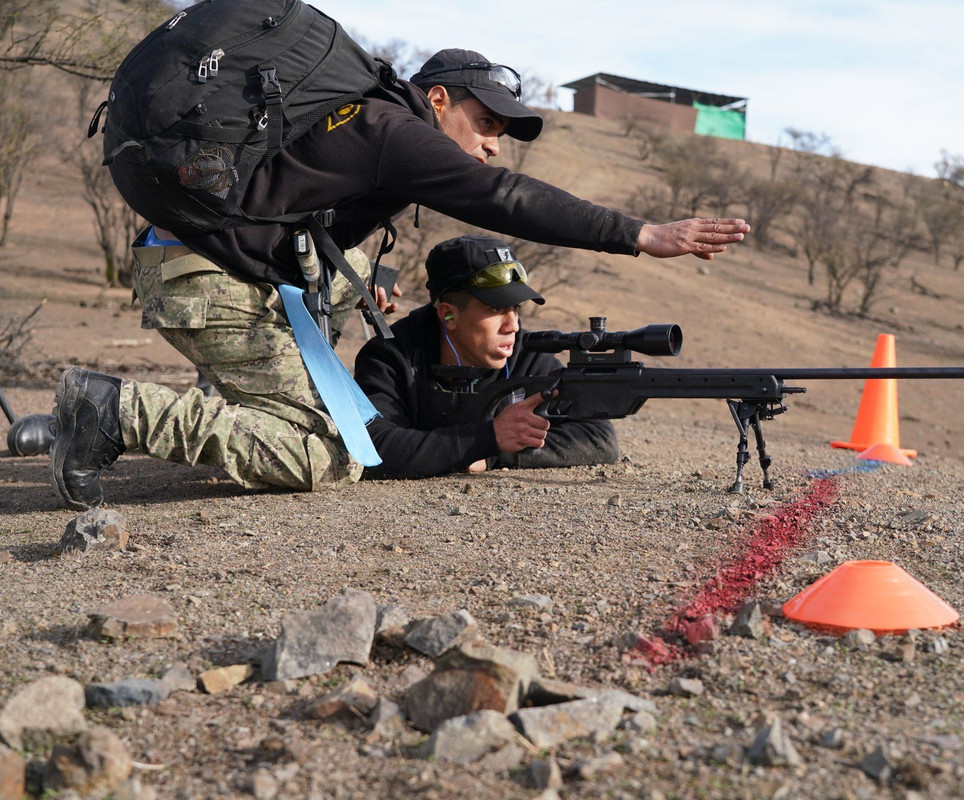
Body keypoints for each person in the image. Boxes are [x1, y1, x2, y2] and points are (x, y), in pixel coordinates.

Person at [50, 46, 749, 510]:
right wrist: (639, 234)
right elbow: (503, 197)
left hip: (210, 260)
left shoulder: (362, 119)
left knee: (345, 294)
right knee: (332, 456)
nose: (490, 142)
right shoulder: (399, 133)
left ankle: (167, 407)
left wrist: (360, 272)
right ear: (437, 99)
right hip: (202, 276)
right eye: (483, 121)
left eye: (501, 130)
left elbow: (295, 207)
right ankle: (113, 412)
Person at [355, 235, 617, 478]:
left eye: (515, 308)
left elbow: (598, 438)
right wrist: (485, 439)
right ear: (448, 315)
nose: (512, 325)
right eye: (496, 308)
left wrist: (496, 453)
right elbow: (372, 447)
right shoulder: (390, 356)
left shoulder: (528, 355)